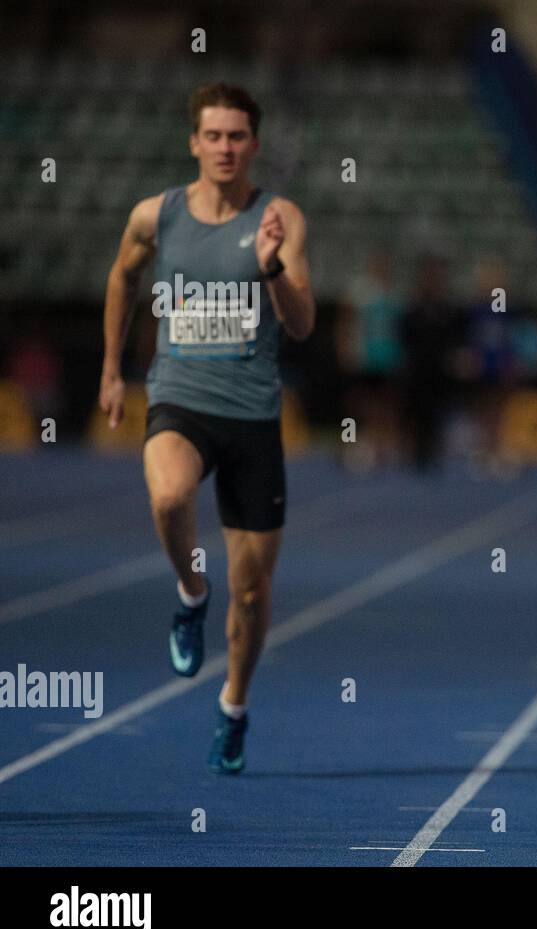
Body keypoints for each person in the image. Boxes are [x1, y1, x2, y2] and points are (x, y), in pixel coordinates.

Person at [98, 83, 315, 773]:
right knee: (168, 498)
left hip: (252, 418)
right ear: (194, 141)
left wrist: (272, 266)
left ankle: (234, 705)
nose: (225, 148)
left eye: (238, 137)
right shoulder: (154, 216)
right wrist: (110, 368)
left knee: (252, 590)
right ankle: (192, 592)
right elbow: (122, 280)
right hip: (180, 398)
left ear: (254, 144)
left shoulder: (279, 218)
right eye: (213, 136)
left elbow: (303, 323)